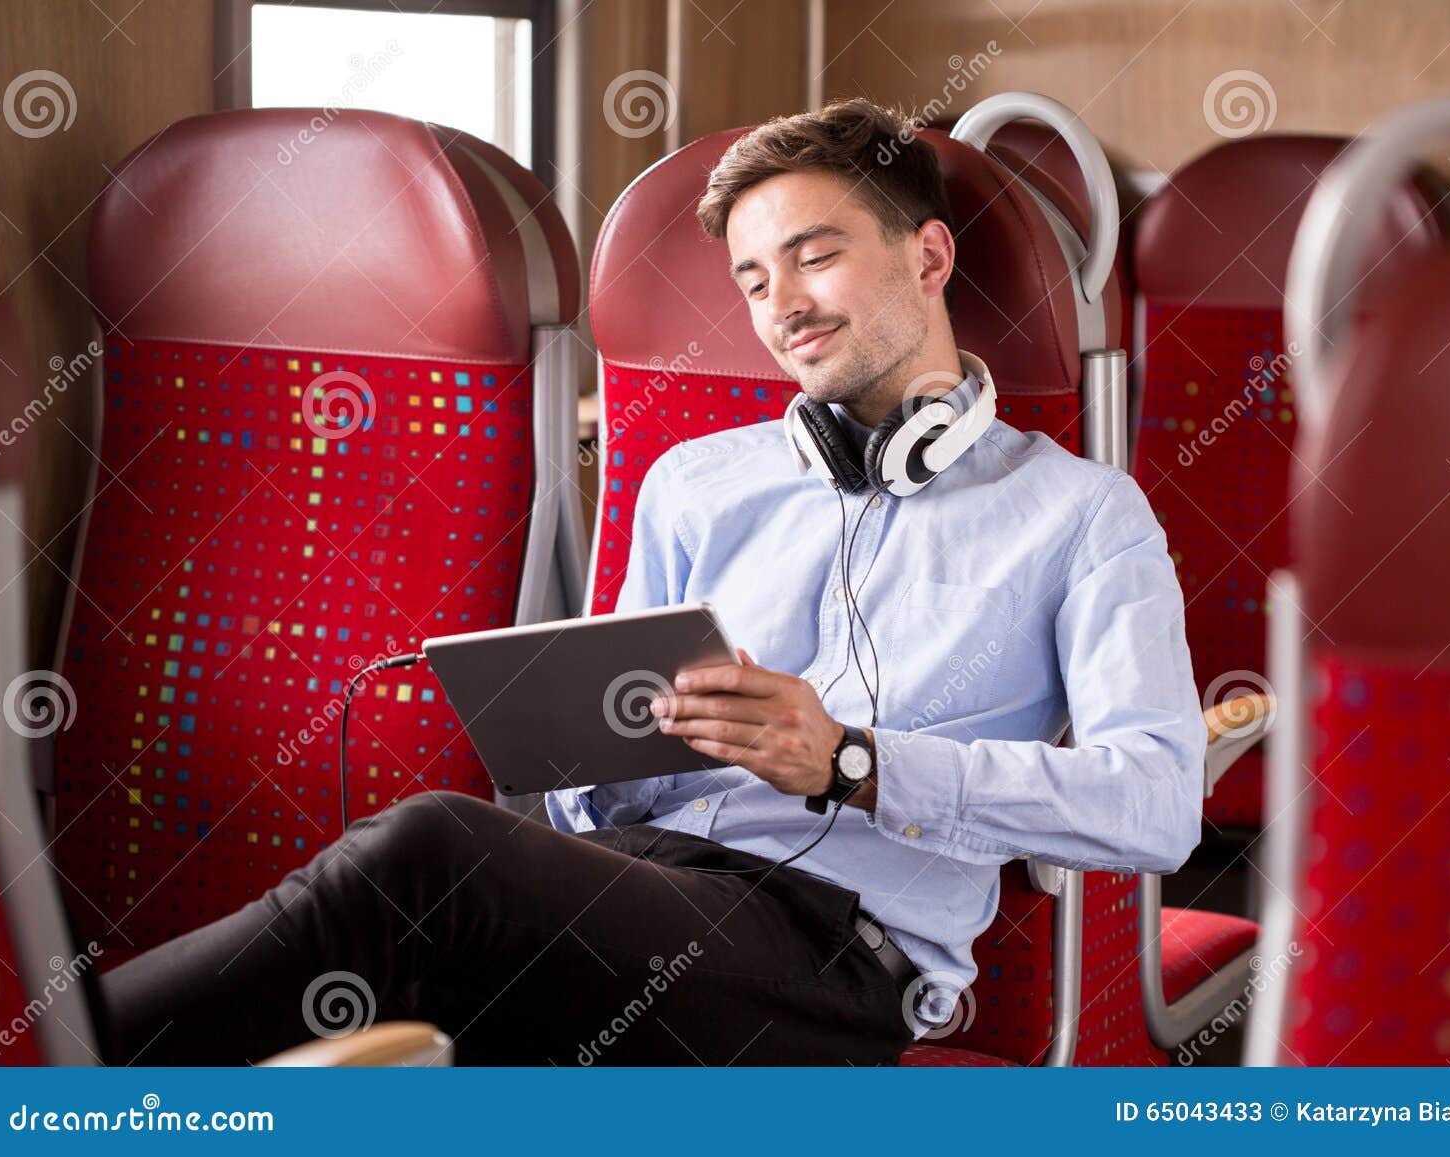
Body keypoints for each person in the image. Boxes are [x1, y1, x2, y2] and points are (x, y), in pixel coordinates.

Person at [99, 98, 1204, 1067]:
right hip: (634, 889)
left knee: (425, 853)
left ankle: (55, 1062)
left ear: (927, 258)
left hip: (838, 957)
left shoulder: (1081, 516)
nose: (783, 306)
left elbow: (1156, 808)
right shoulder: (696, 484)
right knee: (405, 978)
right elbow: (597, 794)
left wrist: (854, 763)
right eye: (755, 278)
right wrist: (596, 743)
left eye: (815, 257)